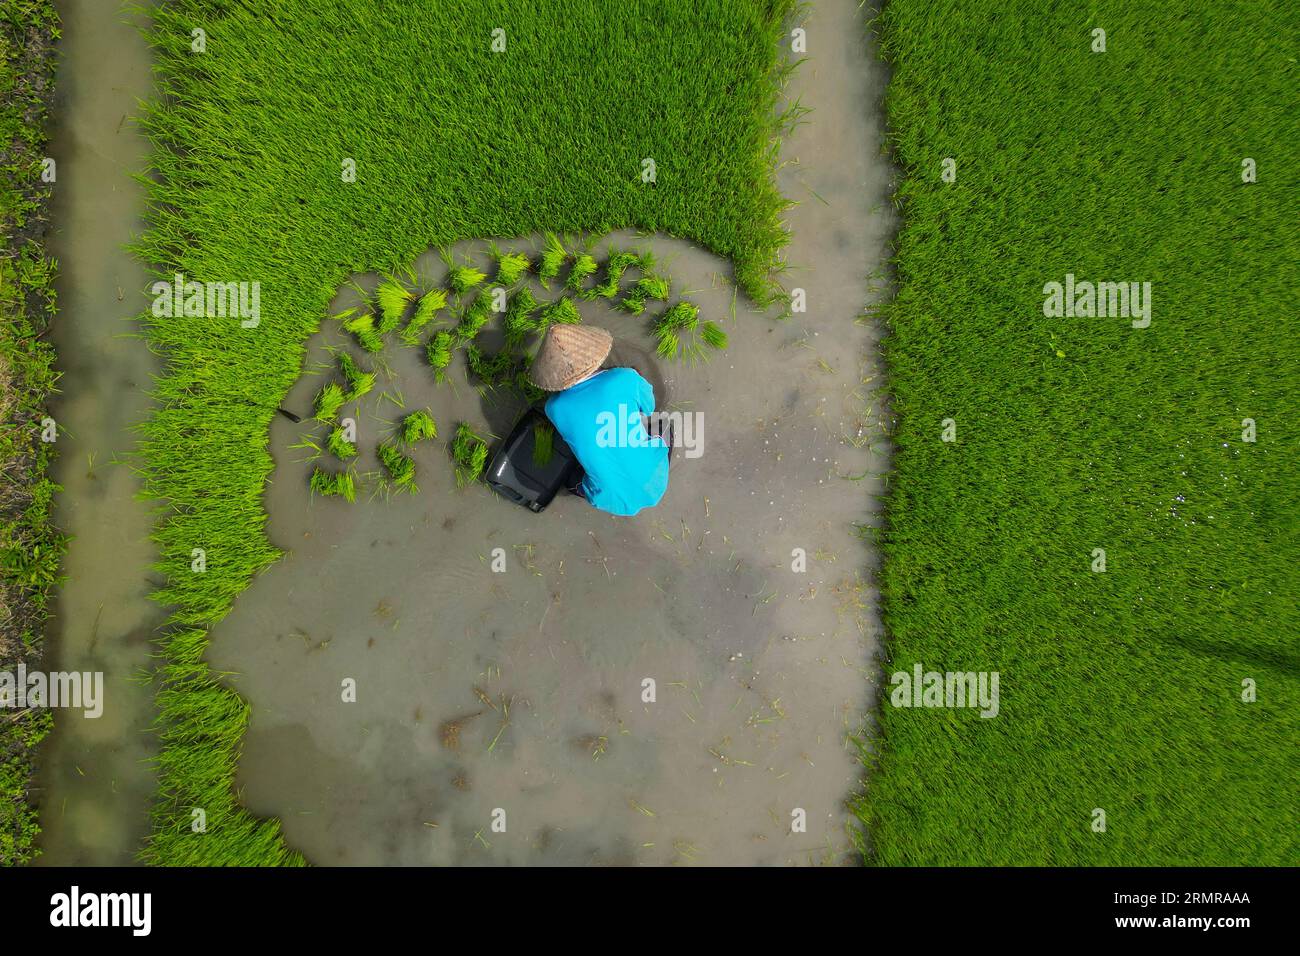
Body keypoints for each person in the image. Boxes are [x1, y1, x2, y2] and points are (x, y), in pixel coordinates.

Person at [528, 324, 670, 516]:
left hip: (609, 499)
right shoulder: (625, 377)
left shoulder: (554, 408)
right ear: (593, 354)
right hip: (656, 478)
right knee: (663, 424)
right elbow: (649, 407)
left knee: (572, 479)